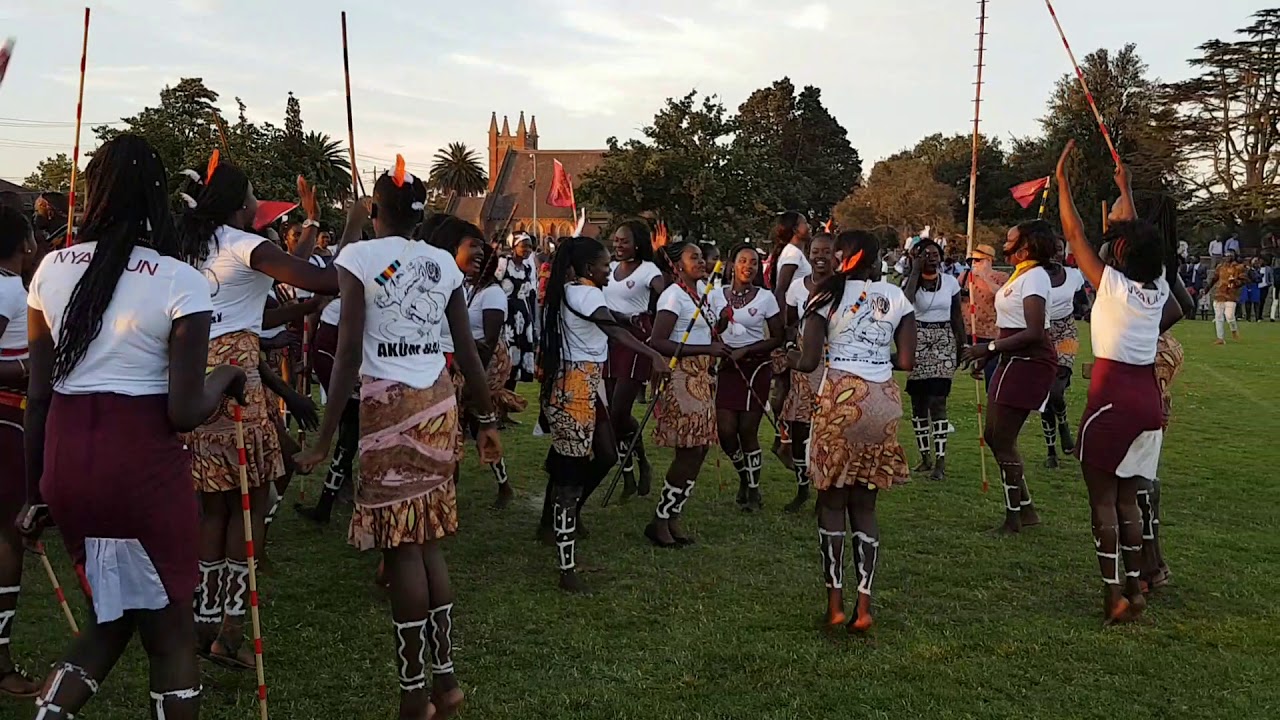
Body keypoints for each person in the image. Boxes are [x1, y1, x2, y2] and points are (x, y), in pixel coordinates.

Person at [18, 133, 247, 719]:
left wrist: (35, 491)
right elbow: (184, 409)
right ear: (157, 194)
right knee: (170, 635)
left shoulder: (49, 269)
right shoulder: (178, 279)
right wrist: (227, 377)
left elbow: (40, 395)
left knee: (109, 620)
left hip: (68, 460)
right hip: (140, 465)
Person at [296, 159, 501, 720]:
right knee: (428, 540)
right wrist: (483, 421)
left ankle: (415, 696)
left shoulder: (358, 256)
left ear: (375, 211)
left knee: (403, 548)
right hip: (437, 401)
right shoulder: (440, 261)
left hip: (387, 409)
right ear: (421, 216)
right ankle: (447, 681)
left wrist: (322, 437)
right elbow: (469, 354)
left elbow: (346, 354)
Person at [177, 154, 338, 669]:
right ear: (236, 204)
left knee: (216, 510)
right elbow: (320, 281)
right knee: (248, 510)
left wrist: (310, 228)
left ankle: (206, 623)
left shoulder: (193, 247)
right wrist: (360, 240)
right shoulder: (246, 243)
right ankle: (229, 630)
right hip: (238, 392)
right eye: (249, 196)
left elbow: (257, 307)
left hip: (198, 387)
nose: (255, 204)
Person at [1057, 140, 1183, 624]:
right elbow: (1137, 234)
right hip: (1148, 401)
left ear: (1123, 254)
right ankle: (1137, 585)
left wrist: (1063, 183)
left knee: (1103, 502)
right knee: (1129, 498)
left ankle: (1114, 596)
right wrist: (1124, 187)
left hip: (1112, 401)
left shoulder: (1110, 283)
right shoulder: (1158, 283)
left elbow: (1073, 232)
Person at [789, 229, 915, 632]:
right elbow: (907, 360)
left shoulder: (823, 296)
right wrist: (875, 355)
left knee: (830, 502)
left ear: (844, 256)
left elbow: (808, 362)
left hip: (840, 398)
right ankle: (865, 605)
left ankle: (835, 601)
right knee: (865, 504)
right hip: (882, 401)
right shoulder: (896, 296)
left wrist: (786, 357)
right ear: (875, 260)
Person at [539, 237, 668, 592]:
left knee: (605, 454)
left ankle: (555, 522)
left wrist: (626, 318)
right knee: (570, 478)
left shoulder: (572, 290)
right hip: (577, 388)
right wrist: (653, 355)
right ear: (586, 269)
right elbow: (611, 329)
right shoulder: (589, 294)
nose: (609, 269)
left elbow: (609, 320)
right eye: (603, 264)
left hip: (578, 384)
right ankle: (566, 566)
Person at [962, 221, 1058, 534]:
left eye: (1011, 237)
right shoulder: (1022, 274)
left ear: (1026, 246)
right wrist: (990, 355)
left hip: (1028, 362)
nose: (1006, 240)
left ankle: (1014, 517)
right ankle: (1025, 510)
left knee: (1001, 438)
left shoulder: (1035, 277)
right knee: (995, 436)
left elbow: (1033, 331)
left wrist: (988, 347)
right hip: (1010, 358)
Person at [646, 241, 724, 547]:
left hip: (702, 376)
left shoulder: (701, 293)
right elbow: (658, 341)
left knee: (701, 448)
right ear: (677, 265)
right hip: (681, 377)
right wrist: (706, 348)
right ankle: (660, 519)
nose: (702, 262)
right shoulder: (673, 296)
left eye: (702, 257)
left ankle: (672, 514)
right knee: (689, 449)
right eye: (695, 258)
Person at [710, 243, 784, 511]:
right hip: (728, 366)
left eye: (753, 262)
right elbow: (712, 332)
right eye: (743, 261)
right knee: (726, 431)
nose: (748, 267)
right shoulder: (716, 295)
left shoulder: (766, 298)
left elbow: (778, 337)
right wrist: (719, 322)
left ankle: (753, 491)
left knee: (747, 431)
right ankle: (744, 475)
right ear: (732, 265)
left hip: (755, 367)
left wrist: (748, 350)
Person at [0, 204, 38, 699]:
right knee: (7, 538)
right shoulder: (9, 288)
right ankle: (1, 660)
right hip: (6, 419)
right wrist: (31, 370)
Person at [603, 220, 665, 500]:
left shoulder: (648, 270)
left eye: (624, 241)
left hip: (635, 341)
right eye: (615, 240)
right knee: (610, 414)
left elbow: (665, 293)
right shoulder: (609, 269)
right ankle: (629, 471)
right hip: (607, 340)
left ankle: (642, 463)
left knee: (618, 413)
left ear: (637, 244)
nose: (618, 245)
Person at [466, 241, 524, 508]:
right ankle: (503, 484)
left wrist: (473, 378)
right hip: (468, 358)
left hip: (485, 362)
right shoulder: (470, 289)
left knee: (479, 420)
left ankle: (504, 485)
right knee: (471, 422)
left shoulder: (493, 294)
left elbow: (488, 341)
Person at [901, 237, 965, 482]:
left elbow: (957, 316)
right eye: (926, 254)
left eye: (935, 253)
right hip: (917, 340)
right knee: (919, 403)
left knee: (938, 400)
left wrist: (962, 345)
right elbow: (905, 302)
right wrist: (915, 273)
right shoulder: (911, 283)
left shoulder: (949, 282)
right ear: (916, 258)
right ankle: (924, 456)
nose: (932, 256)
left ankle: (940, 460)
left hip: (943, 341)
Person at [780, 232, 835, 512]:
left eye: (827, 251)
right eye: (815, 251)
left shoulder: (843, 287)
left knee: (828, 427)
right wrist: (790, 346)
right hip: (804, 361)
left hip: (833, 360)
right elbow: (790, 324)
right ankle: (803, 487)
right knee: (801, 426)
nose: (820, 257)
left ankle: (825, 489)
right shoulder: (797, 288)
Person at [1041, 239, 1087, 469]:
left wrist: (1089, 311)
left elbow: (1082, 302)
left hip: (1066, 333)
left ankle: (1064, 425)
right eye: (1050, 249)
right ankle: (1051, 451)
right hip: (1041, 335)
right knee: (1045, 397)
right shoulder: (1034, 277)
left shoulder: (1074, 275)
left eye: (1058, 250)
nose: (1054, 254)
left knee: (1056, 390)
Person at [960, 244, 1008, 386]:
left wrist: (985, 277)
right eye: (973, 260)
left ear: (989, 261)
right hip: (967, 330)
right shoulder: (965, 277)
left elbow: (1002, 295)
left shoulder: (1001, 277)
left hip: (990, 333)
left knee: (991, 372)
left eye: (978, 260)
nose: (975, 263)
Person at [496, 232, 538, 392]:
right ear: (514, 246)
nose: (527, 249)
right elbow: (493, 282)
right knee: (505, 358)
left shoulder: (527, 268)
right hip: (507, 318)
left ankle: (509, 400)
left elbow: (529, 296)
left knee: (518, 363)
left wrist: (533, 322)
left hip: (523, 319)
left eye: (529, 246)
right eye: (523, 246)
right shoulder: (504, 263)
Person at [1205, 250, 1248, 344]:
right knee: (1218, 317)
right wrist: (1206, 289)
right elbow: (1214, 278)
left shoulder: (1238, 267)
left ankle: (1234, 329)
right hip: (1219, 293)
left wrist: (1235, 282)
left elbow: (1244, 280)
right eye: (1226, 255)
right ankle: (1220, 338)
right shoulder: (1220, 267)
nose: (1228, 257)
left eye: (1230, 255)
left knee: (1229, 316)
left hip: (1231, 294)